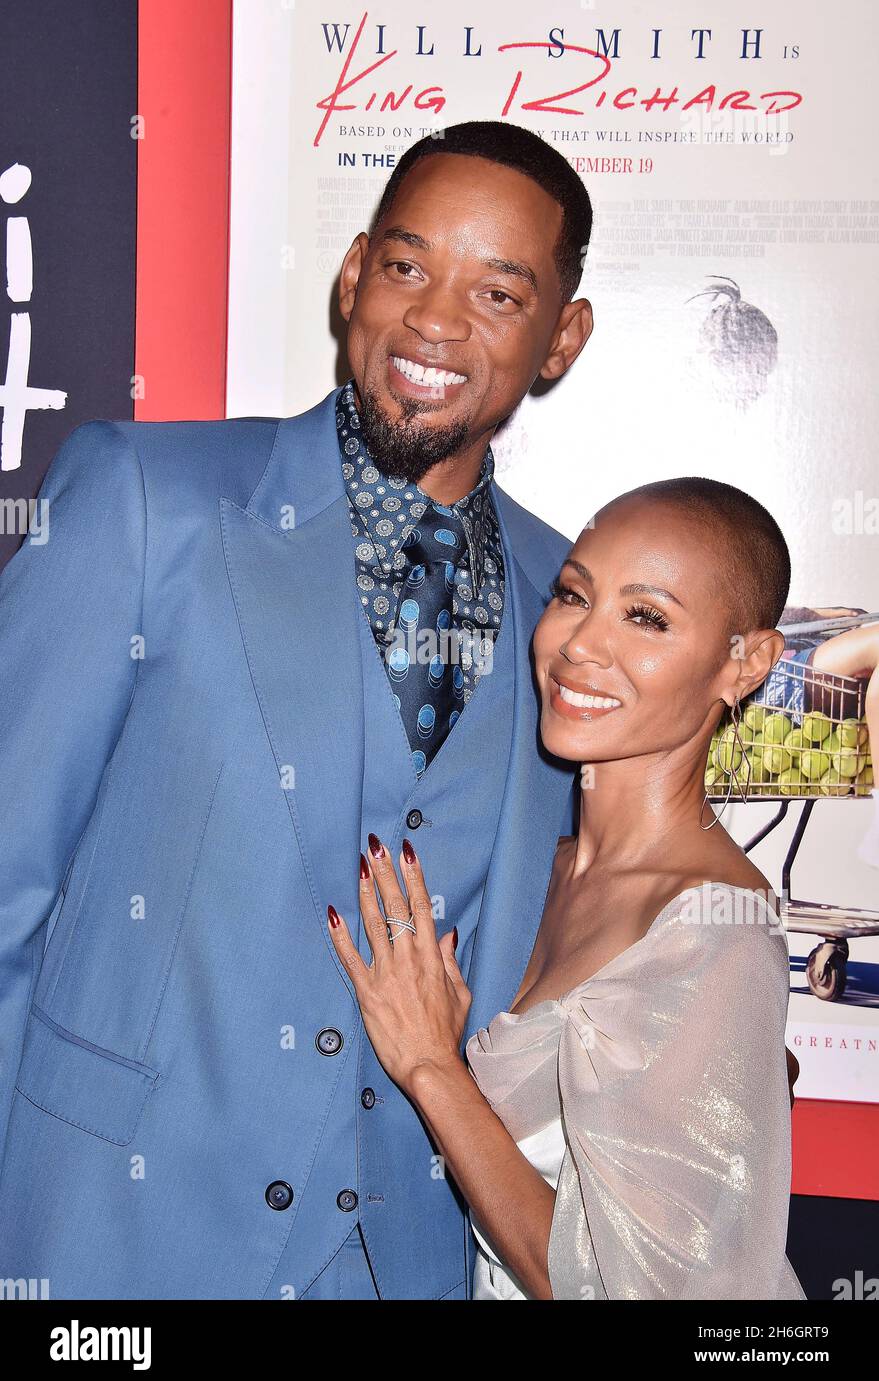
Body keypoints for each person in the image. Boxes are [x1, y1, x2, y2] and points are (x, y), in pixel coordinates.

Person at [0, 121, 594, 1299]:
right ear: (353, 272)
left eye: (497, 293)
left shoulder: (574, 608)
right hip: (107, 1241)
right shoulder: (145, 498)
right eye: (407, 265)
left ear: (562, 338)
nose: (435, 321)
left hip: (405, 1262)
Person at [327, 478, 807, 1300]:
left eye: (646, 617)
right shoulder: (532, 866)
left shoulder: (713, 932)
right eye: (573, 596)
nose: (580, 644)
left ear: (746, 663)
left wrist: (431, 1066)